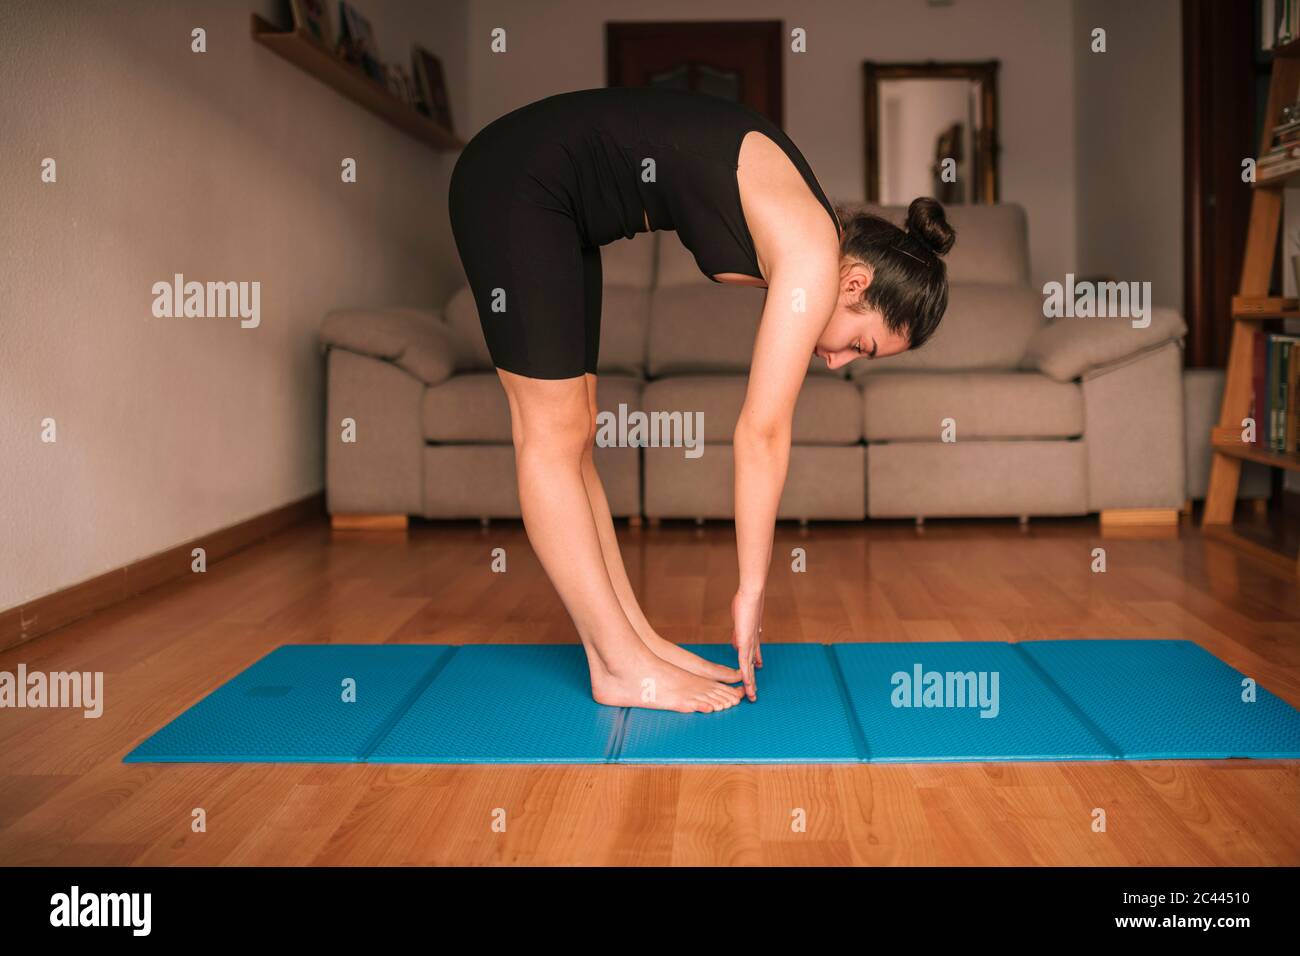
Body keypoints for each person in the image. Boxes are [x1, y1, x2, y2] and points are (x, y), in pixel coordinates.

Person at [448, 87, 954, 714]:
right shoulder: (813, 259)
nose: (839, 361)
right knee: (550, 435)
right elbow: (762, 432)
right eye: (861, 345)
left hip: (557, 204)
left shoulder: (816, 227)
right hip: (516, 182)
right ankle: (620, 665)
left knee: (576, 432)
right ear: (855, 283)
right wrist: (752, 587)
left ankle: (633, 643)